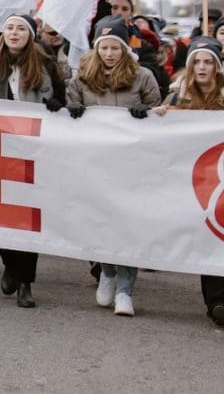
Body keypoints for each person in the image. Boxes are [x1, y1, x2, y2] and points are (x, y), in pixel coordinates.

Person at [153, 36, 224, 327]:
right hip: (186, 180)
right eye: (197, 62)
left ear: (217, 67)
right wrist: (160, 116)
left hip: (221, 182)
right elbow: (161, 138)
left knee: (217, 237)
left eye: (208, 62)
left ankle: (218, 302)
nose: (202, 67)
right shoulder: (175, 98)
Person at [64, 16, 163, 317]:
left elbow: (159, 112)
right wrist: (72, 111)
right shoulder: (82, 78)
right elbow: (69, 112)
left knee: (128, 224)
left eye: (115, 47)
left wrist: (146, 113)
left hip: (132, 163)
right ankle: (107, 271)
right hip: (96, 162)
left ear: (124, 49)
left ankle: (125, 289)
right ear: (96, 49)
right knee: (102, 221)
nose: (109, 53)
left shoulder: (142, 76)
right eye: (104, 47)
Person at [0, 12, 65, 307]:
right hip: (0, 150)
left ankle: (25, 282)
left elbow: (63, 99)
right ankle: (11, 265)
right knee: (4, 215)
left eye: (20, 29)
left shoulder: (46, 66)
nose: (14, 33)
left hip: (33, 150)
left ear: (30, 35)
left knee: (27, 217)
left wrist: (58, 105)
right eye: (9, 28)